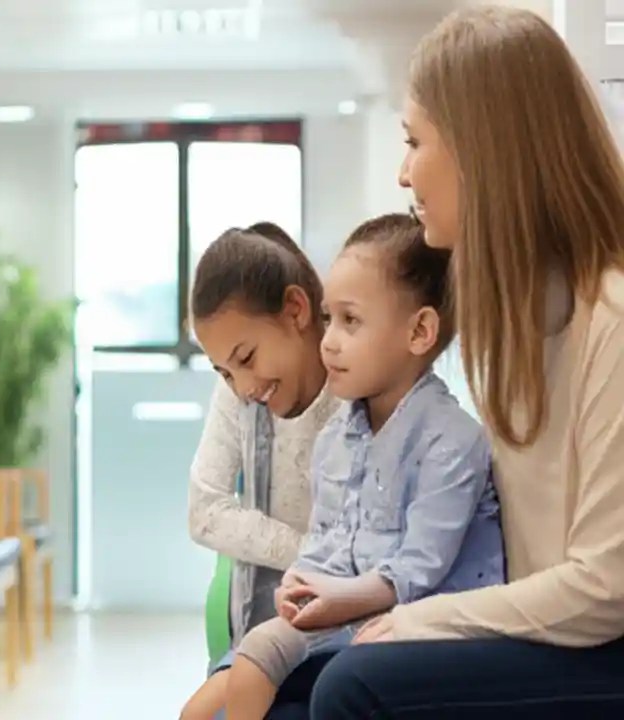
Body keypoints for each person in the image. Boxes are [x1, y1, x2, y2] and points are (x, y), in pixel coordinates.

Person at [310, 6, 624, 718]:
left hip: (605, 645)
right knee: (298, 684)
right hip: (551, 635)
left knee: (353, 687)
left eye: (415, 141)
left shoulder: (613, 321)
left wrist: (417, 621)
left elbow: (606, 590)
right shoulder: (508, 328)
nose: (402, 172)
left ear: (485, 151)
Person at [180, 214, 504, 720]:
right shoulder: (342, 436)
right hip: (329, 603)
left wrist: (330, 591)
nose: (242, 388)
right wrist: (308, 578)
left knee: (269, 681)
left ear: (295, 310)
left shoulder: (448, 438)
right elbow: (323, 540)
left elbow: (417, 572)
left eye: (347, 321)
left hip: (393, 615)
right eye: (332, 320)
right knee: (201, 707)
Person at [187, 222, 343, 719]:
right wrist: (308, 561)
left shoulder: (357, 380)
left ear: (297, 310)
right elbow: (204, 509)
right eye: (224, 372)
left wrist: (330, 580)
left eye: (246, 360)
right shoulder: (244, 388)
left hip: (351, 620)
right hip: (278, 620)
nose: (242, 388)